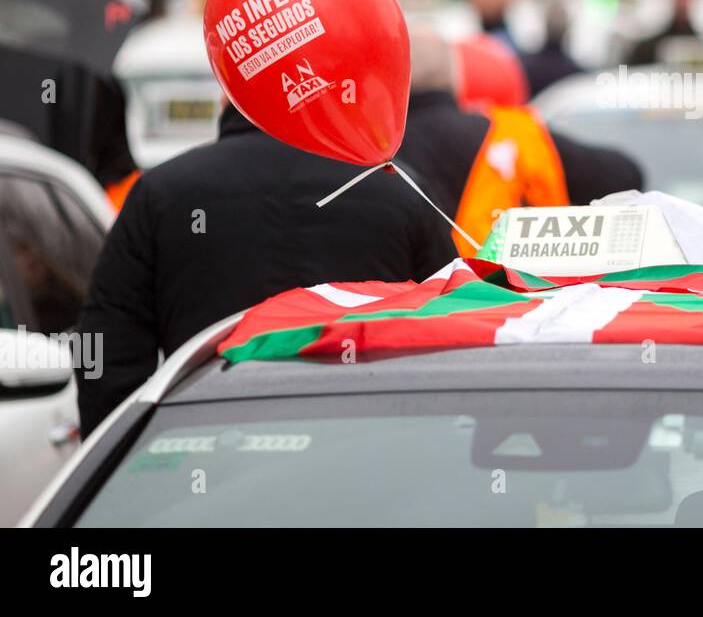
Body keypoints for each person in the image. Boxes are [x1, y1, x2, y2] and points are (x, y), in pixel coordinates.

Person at [74, 102, 457, 435]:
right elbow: (456, 328)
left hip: (207, 447)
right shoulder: (399, 191)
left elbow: (106, 350)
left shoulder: (161, 192)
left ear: (229, 90)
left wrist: (121, 464)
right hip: (363, 445)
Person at [402, 27, 643, 256]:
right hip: (508, 293)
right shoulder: (514, 134)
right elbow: (626, 175)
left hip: (410, 299)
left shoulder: (375, 151)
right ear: (456, 76)